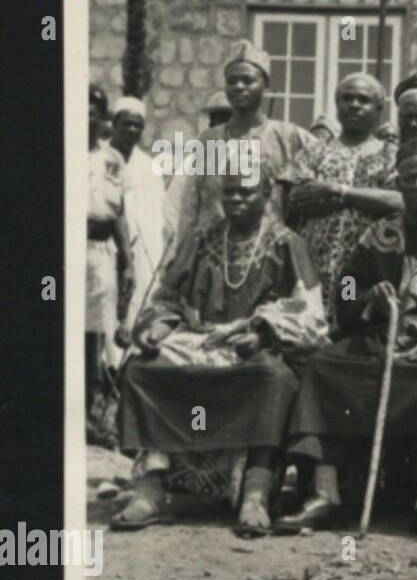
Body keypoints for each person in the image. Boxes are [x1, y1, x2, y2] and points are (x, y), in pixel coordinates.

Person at [279, 139, 417, 542]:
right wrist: (366, 299)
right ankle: (325, 492)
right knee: (324, 367)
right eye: (409, 178)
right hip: (380, 338)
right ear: (398, 181)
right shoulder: (377, 234)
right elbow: (342, 294)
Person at [113, 170, 328, 534]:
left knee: (273, 378)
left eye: (245, 193)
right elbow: (167, 296)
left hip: (253, 343)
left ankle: (256, 491)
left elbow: (310, 311)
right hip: (199, 339)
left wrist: (262, 334)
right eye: (229, 193)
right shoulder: (200, 240)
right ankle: (151, 487)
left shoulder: (287, 243)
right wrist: (158, 327)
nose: (235, 200)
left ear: (265, 195)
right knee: (142, 369)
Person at [164, 39, 316, 243]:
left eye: (247, 80)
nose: (238, 86)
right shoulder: (208, 141)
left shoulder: (291, 138)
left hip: (270, 257)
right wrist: (183, 256)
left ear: (266, 85)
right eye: (232, 80)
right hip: (212, 256)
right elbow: (190, 207)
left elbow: (322, 186)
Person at [285, 72, 402, 327]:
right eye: (346, 98)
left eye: (363, 99)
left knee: (350, 322)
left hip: (361, 264)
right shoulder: (315, 151)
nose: (354, 105)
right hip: (314, 261)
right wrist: (366, 198)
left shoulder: (389, 154)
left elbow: (397, 201)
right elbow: (297, 199)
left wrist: (338, 192)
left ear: (378, 109)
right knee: (311, 326)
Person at [86, 101, 132, 442]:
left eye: (95, 110)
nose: (88, 115)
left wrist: (127, 260)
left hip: (100, 249)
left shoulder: (111, 160)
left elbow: (119, 213)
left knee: (95, 332)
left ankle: (89, 411)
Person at [106, 98, 167, 350]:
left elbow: (156, 215)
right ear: (114, 124)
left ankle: (123, 365)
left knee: (134, 305)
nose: (132, 130)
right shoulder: (100, 157)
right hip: (105, 245)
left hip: (139, 250)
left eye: (137, 126)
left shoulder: (148, 167)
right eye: (127, 124)